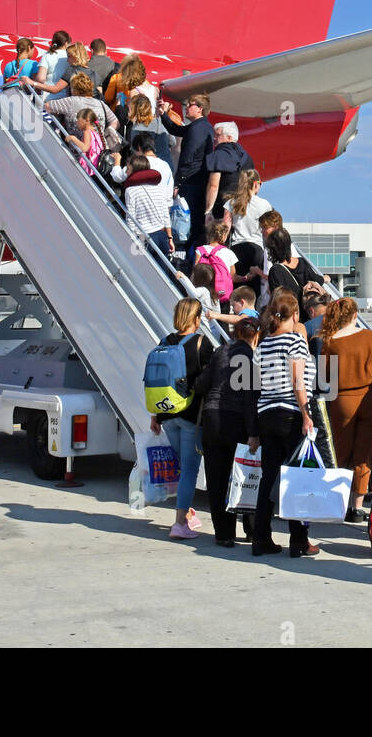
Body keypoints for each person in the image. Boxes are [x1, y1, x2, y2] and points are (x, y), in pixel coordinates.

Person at [249, 289, 319, 558]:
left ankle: (261, 538)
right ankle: (299, 539)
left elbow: (256, 385)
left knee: (269, 478)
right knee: (296, 478)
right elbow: (298, 381)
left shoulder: (263, 343)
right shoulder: (296, 342)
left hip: (266, 414)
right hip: (290, 413)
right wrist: (306, 414)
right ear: (296, 314)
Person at [196, 313, 261, 546]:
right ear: (256, 337)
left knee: (217, 479)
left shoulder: (220, 352)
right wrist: (254, 432)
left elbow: (201, 384)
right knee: (244, 477)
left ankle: (223, 534)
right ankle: (252, 530)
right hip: (236, 423)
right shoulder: (250, 358)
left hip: (212, 419)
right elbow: (249, 399)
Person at [319, 297, 372, 522]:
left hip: (342, 400)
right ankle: (357, 507)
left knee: (342, 452)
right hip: (369, 397)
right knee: (364, 453)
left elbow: (324, 376)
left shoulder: (330, 341)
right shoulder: (368, 336)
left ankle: (341, 502)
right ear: (356, 315)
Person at [149, 297, 210, 539]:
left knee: (182, 467)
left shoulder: (164, 341)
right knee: (189, 470)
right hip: (190, 416)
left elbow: (157, 380)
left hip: (166, 414)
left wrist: (155, 415)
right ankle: (179, 523)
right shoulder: (200, 345)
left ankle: (185, 513)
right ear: (196, 318)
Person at [158, 91, 213, 263]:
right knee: (193, 223)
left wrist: (178, 182)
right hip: (195, 182)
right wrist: (164, 115)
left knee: (191, 223)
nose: (186, 108)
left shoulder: (198, 129)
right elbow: (177, 129)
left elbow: (188, 157)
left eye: (190, 105)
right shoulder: (200, 126)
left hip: (191, 182)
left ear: (200, 109)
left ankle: (190, 259)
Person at [45, 73, 122, 150]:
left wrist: (57, 113)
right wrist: (104, 132)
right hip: (98, 150)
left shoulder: (71, 101)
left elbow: (47, 106)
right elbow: (115, 122)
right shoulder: (100, 103)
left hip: (78, 150)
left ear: (74, 89)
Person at [265, 227, 326, 321]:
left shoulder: (275, 271)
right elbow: (316, 279)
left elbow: (278, 299)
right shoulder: (302, 262)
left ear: (273, 250)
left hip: (293, 318)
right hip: (309, 315)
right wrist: (325, 278)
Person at [227, 169, 271, 300]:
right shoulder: (264, 204)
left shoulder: (232, 202)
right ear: (256, 184)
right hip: (256, 250)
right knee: (254, 292)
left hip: (236, 250)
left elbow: (225, 226)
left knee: (237, 292)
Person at [123, 154, 173, 257]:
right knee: (162, 271)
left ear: (134, 170)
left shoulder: (131, 190)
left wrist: (131, 239)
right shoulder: (158, 187)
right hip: (162, 236)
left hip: (144, 238)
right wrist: (170, 238)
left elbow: (131, 218)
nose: (126, 172)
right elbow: (165, 215)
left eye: (128, 169)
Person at [202, 122, 255, 220]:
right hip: (243, 210)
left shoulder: (218, 155)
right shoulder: (248, 158)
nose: (214, 138)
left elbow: (213, 185)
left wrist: (208, 211)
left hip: (221, 210)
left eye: (218, 135)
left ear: (229, 138)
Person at [192, 218, 237, 312]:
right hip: (221, 294)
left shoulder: (200, 250)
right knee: (222, 320)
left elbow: (195, 271)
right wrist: (246, 277)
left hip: (203, 293)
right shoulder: (228, 252)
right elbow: (232, 276)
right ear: (224, 235)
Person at [124, 94, 173, 169]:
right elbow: (173, 142)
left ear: (134, 109)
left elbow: (136, 152)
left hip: (150, 170)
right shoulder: (160, 121)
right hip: (167, 167)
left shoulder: (137, 128)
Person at [64, 107, 105, 174]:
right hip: (95, 167)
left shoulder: (87, 132)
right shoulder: (95, 132)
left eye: (78, 120)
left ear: (87, 120)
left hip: (89, 169)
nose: (76, 122)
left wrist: (73, 139)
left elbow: (85, 148)